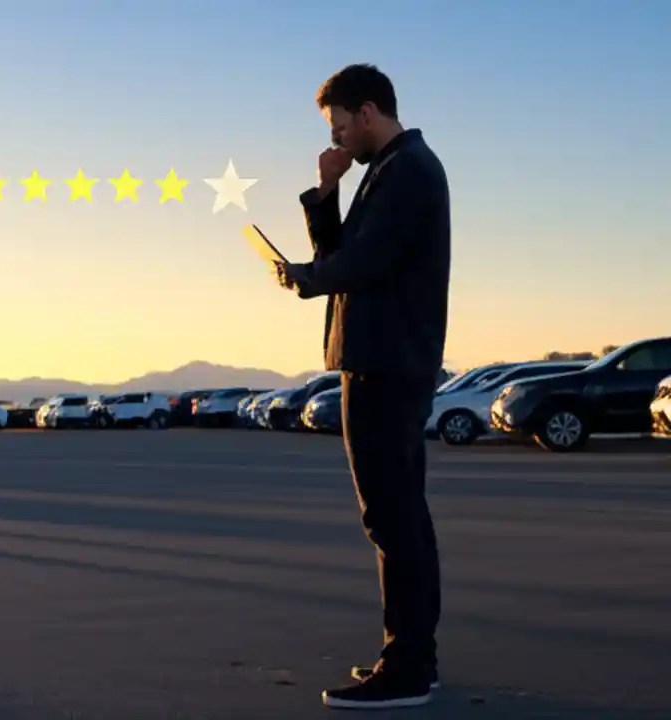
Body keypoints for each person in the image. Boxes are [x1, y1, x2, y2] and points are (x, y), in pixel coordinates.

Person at [272, 63, 450, 710]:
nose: (338, 140)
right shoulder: (386, 170)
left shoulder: (410, 170)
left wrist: (302, 279)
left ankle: (407, 668)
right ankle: (412, 658)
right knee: (398, 518)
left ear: (368, 112)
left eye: (341, 128)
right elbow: (345, 251)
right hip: (380, 361)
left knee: (394, 520)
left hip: (389, 363)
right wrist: (326, 192)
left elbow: (360, 264)